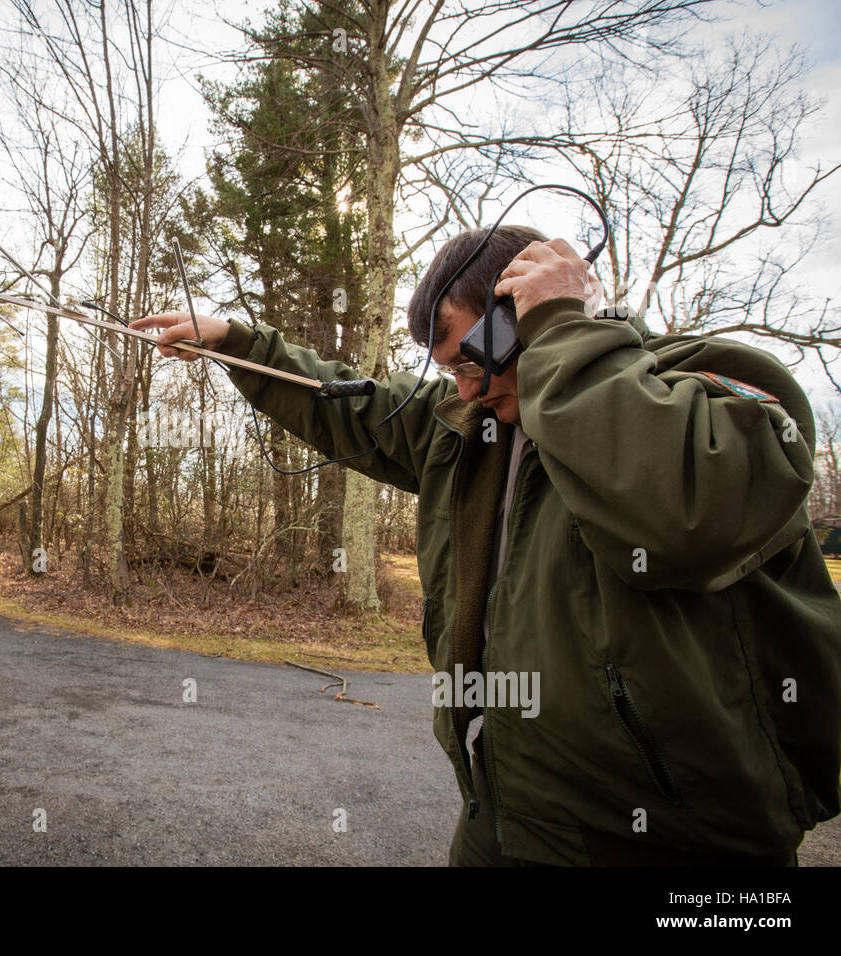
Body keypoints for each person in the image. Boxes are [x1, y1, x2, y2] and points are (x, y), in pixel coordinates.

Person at [131, 226, 841, 866]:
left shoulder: (716, 388)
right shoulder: (476, 423)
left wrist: (565, 329)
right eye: (452, 370)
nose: (465, 387)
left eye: (474, 358)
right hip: (503, 810)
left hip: (673, 840)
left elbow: (683, 514)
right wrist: (238, 343)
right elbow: (356, 405)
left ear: (522, 315)